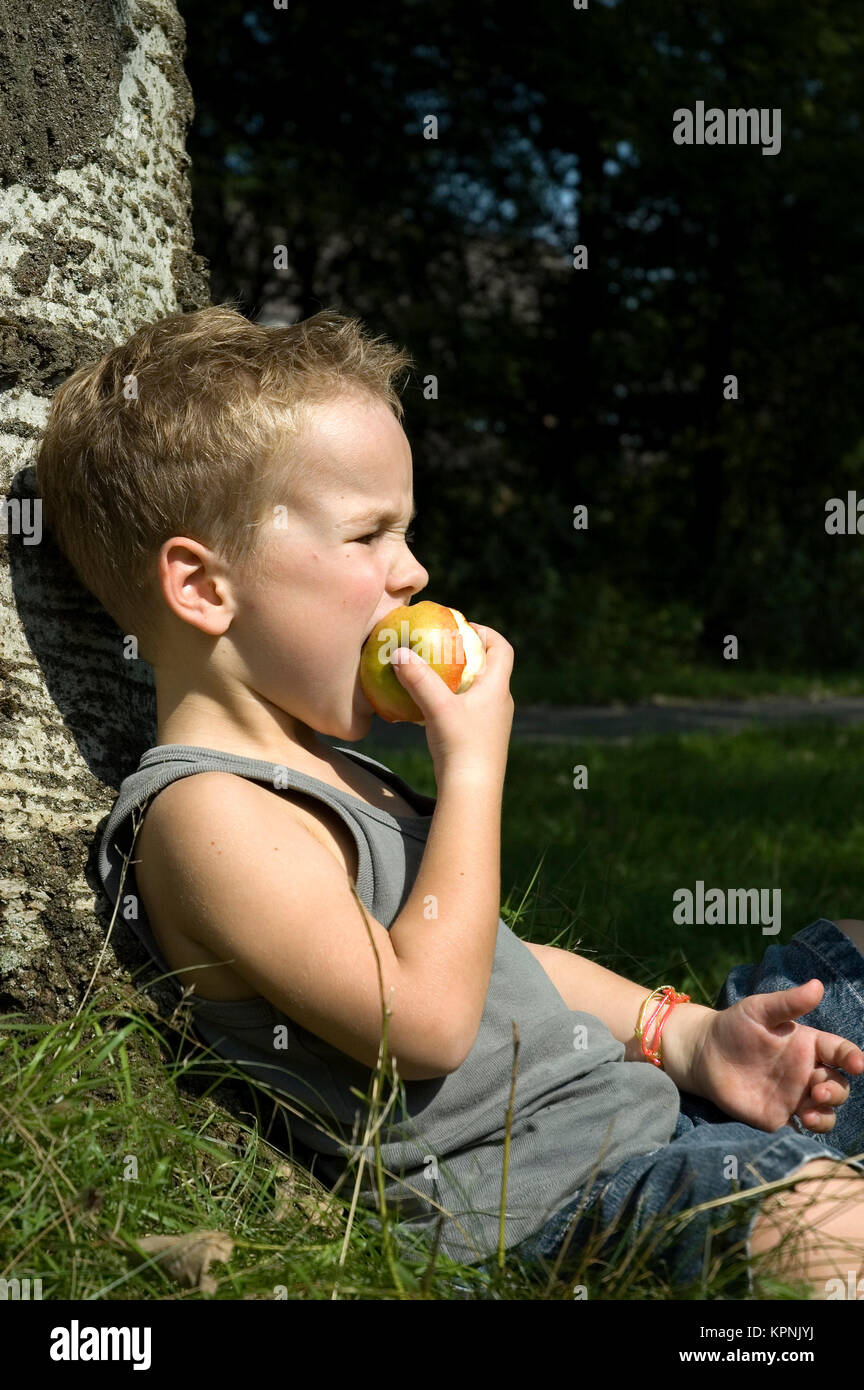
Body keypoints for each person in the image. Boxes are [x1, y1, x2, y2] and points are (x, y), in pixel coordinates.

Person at [35, 304, 864, 1298]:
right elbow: (426, 1017)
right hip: (572, 1198)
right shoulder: (205, 815)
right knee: (826, 1231)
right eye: (369, 533)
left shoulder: (336, 770)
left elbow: (505, 969)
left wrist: (680, 1035)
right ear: (204, 587)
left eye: (409, 531)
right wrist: (474, 771)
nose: (415, 571)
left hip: (664, 1112)